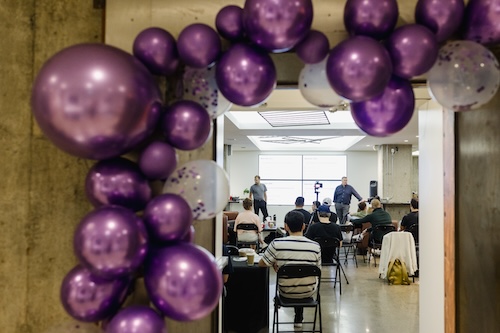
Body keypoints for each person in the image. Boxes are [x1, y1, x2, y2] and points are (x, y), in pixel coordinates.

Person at [258, 211, 321, 328]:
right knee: (302, 277)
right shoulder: (315, 246)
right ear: (303, 226)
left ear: (285, 226)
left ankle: (278, 302)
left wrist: (274, 264)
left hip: (285, 292)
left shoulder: (277, 243)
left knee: (290, 280)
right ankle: (299, 318)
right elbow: (317, 270)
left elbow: (262, 264)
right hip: (308, 292)